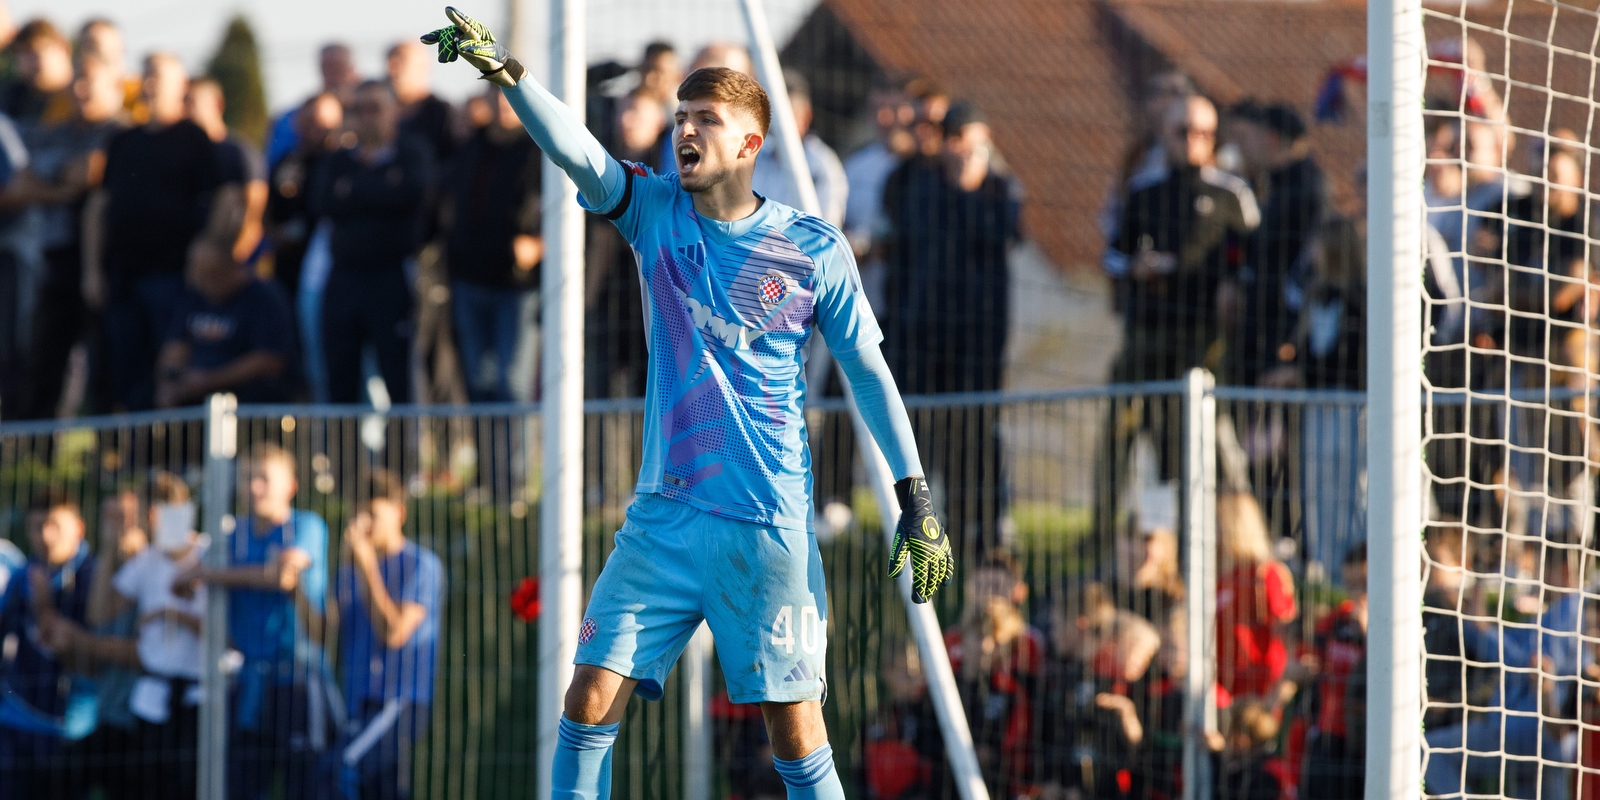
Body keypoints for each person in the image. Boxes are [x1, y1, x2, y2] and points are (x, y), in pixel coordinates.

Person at [422, 11, 954, 799]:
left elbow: (870, 376)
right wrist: (510, 76)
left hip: (766, 525)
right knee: (587, 697)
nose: (685, 131)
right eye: (679, 118)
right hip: (663, 520)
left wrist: (916, 498)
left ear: (750, 144)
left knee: (794, 727)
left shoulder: (813, 249)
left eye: (706, 118)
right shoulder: (655, 214)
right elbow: (578, 152)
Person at [880, 101, 1020, 553]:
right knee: (925, 434)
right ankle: (922, 528)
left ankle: (983, 528)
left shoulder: (998, 189)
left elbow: (1002, 234)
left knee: (977, 432)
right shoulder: (919, 185)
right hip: (924, 334)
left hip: (978, 337)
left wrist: (968, 190)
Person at [172, 445, 331, 800]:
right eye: (247, 478)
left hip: (296, 681)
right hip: (247, 682)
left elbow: (282, 578)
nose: (254, 487)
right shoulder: (233, 533)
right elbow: (187, 582)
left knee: (305, 787)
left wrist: (209, 574)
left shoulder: (305, 526)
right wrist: (191, 574)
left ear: (290, 485)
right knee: (239, 785)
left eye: (264, 478)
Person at [87, 52, 232, 412]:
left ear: (179, 85)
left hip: (173, 275)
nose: (150, 84)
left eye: (159, 77)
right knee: (126, 370)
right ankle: (136, 444)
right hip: (122, 275)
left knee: (170, 368)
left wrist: (208, 248)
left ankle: (172, 446)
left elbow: (225, 197)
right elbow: (99, 206)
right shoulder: (122, 140)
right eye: (146, 75)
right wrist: (92, 270)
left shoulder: (193, 138)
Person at [10, 50, 126, 419]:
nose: (79, 89)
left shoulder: (119, 133)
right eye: (76, 80)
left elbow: (90, 172)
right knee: (43, 360)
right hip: (53, 258)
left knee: (105, 362)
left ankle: (106, 442)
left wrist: (52, 182)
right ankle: (37, 444)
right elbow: (21, 183)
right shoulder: (54, 132)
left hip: (105, 263)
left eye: (89, 79)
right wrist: (65, 190)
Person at [317, 470, 443, 800]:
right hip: (358, 701)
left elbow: (394, 633)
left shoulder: (421, 565)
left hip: (398, 700)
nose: (363, 524)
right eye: (357, 514)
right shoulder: (350, 569)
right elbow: (322, 633)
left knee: (341, 769)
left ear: (399, 512)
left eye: (372, 514)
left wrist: (366, 567)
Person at [310, 79, 434, 405]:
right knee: (340, 379)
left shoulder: (412, 154)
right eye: (359, 110)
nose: (366, 117)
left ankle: (402, 441)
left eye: (375, 109)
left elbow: (413, 196)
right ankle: (344, 442)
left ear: (394, 112)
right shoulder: (337, 161)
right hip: (343, 279)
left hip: (392, 279)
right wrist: (382, 190)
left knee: (399, 379)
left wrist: (355, 191)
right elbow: (324, 203)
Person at [94, 473, 206, 800]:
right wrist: (109, 549)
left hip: (200, 701)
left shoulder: (209, 555)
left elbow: (227, 636)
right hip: (151, 701)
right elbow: (99, 613)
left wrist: (170, 615)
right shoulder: (146, 561)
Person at [441, 86, 542, 403]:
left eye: (509, 93)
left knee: (512, 383)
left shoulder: (539, 150)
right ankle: (486, 442)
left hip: (517, 285)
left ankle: (518, 441)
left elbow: (567, 209)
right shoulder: (470, 147)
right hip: (468, 278)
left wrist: (540, 244)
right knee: (477, 383)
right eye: (495, 93)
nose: (502, 101)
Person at [0, 501, 96, 799]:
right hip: (16, 714)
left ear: (78, 528)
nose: (45, 535)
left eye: (53, 525)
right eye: (36, 527)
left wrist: (43, 606)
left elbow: (88, 660)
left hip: (70, 725)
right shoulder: (24, 575)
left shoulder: (93, 577)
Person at [1228, 101, 1326, 388]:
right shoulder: (1276, 187)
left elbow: (1304, 266)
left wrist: (1290, 333)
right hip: (1261, 328)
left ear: (1270, 138)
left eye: (1250, 137)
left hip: (1279, 336)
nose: (1245, 147)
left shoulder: (1305, 192)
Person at [154, 236, 299, 406]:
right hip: (193, 389)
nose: (200, 282)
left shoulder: (264, 296)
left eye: (211, 274)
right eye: (197, 274)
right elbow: (175, 345)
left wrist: (209, 380)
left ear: (234, 268)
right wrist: (169, 382)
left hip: (244, 394)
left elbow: (270, 360)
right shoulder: (195, 295)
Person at [944, 557, 1045, 798]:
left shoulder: (1028, 643)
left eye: (997, 587)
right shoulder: (949, 640)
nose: (989, 594)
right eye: (982, 586)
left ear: (1018, 592)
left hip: (1010, 769)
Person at [585, 88, 661, 399]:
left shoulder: (671, 172)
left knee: (650, 390)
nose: (626, 120)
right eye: (623, 111)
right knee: (598, 389)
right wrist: (588, 299)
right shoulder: (607, 168)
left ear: (659, 122)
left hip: (656, 298)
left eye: (636, 113)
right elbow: (601, 238)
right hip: (611, 299)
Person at [1214, 492, 1296, 701]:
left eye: (1217, 522)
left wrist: (1277, 695)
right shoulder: (1218, 577)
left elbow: (1285, 632)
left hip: (1258, 693)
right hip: (1222, 691)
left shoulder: (1264, 574)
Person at [1300, 543, 1367, 800]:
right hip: (1330, 732)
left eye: (1363, 584)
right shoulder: (1334, 621)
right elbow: (1308, 658)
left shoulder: (1393, 626)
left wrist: (1369, 632)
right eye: (1350, 585)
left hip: (1366, 737)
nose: (1356, 593)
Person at [751, 69, 847, 227]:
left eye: (787, 116)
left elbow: (825, 227)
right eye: (771, 116)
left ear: (806, 115)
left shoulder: (822, 165)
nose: (777, 124)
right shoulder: (753, 157)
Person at [187, 77, 269, 263]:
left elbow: (253, 217)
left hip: (219, 261)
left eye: (192, 101)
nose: (187, 109)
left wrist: (232, 261)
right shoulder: (184, 152)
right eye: (184, 101)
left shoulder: (238, 153)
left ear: (217, 104)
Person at [266, 43, 358, 169]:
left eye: (339, 67)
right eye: (327, 67)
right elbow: (275, 160)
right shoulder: (292, 117)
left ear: (352, 70)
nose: (333, 74)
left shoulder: (365, 114)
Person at [387, 41, 455, 165]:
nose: (393, 70)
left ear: (423, 67)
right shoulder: (380, 112)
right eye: (390, 63)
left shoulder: (443, 113)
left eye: (401, 62)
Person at [0, 19, 73, 133]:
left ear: (62, 48)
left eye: (34, 51)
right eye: (20, 53)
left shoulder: (81, 98)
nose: (26, 61)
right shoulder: (13, 97)